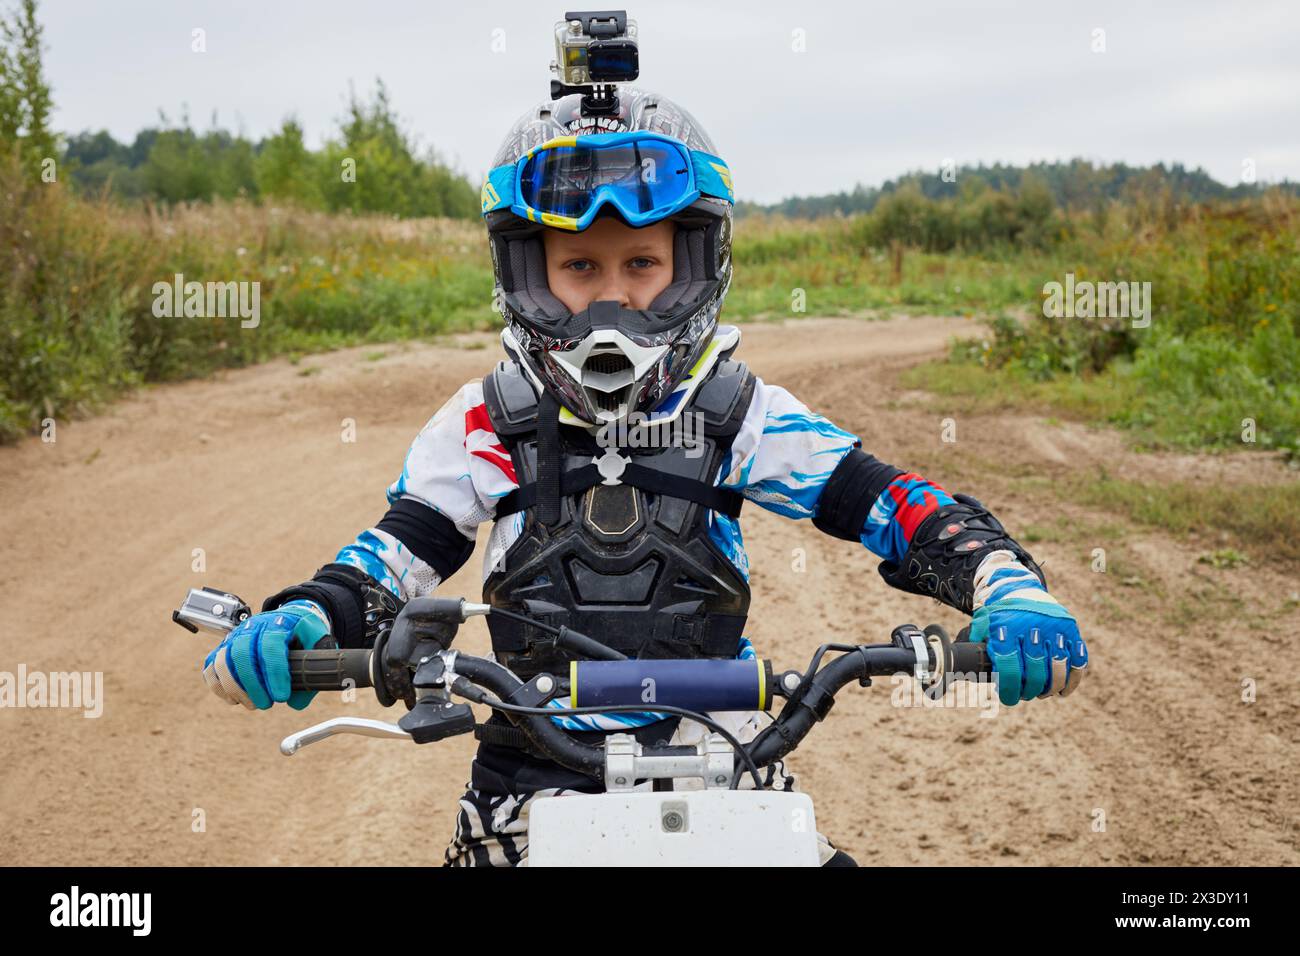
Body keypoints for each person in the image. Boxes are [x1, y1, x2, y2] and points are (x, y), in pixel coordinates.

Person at [201, 88, 1088, 867]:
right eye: (579, 266)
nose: (612, 302)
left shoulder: (741, 412)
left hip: (729, 752)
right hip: (526, 769)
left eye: (642, 265)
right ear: (529, 272)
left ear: (692, 266)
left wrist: (1007, 590)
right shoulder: (486, 420)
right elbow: (397, 552)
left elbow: (894, 505)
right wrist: (309, 615)